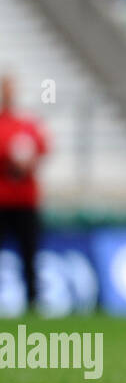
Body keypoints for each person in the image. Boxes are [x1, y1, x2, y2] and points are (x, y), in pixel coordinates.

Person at [0, 74, 47, 313]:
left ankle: (33, 301)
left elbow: (43, 148)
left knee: (29, 254)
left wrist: (27, 160)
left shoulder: (27, 124)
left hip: (25, 201)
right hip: (3, 199)